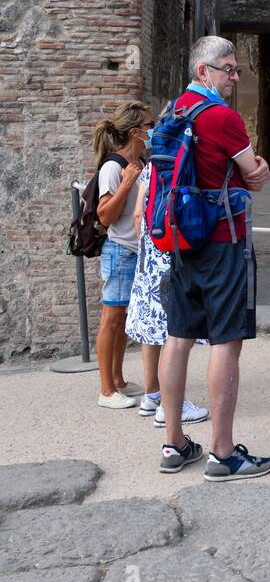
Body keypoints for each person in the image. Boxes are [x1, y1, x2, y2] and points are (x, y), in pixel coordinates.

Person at [158, 36, 270, 480]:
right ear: (203, 71)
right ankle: (223, 453)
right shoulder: (223, 119)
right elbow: (254, 175)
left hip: (179, 239)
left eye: (236, 68)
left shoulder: (174, 110)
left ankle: (174, 443)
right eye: (227, 68)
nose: (235, 76)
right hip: (224, 240)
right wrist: (257, 172)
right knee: (227, 339)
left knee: (179, 335)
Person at [127, 155, 209, 428]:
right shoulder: (186, 162)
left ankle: (152, 395)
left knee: (151, 326)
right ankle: (170, 405)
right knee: (172, 330)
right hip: (173, 252)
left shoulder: (152, 164)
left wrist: (147, 246)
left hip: (149, 253)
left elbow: (138, 214)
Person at [93, 102, 153, 409]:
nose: (153, 129)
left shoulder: (141, 161)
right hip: (119, 251)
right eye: (149, 124)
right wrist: (128, 182)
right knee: (111, 319)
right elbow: (105, 216)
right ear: (135, 132)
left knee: (123, 319)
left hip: (135, 251)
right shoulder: (113, 168)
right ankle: (105, 391)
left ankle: (117, 381)